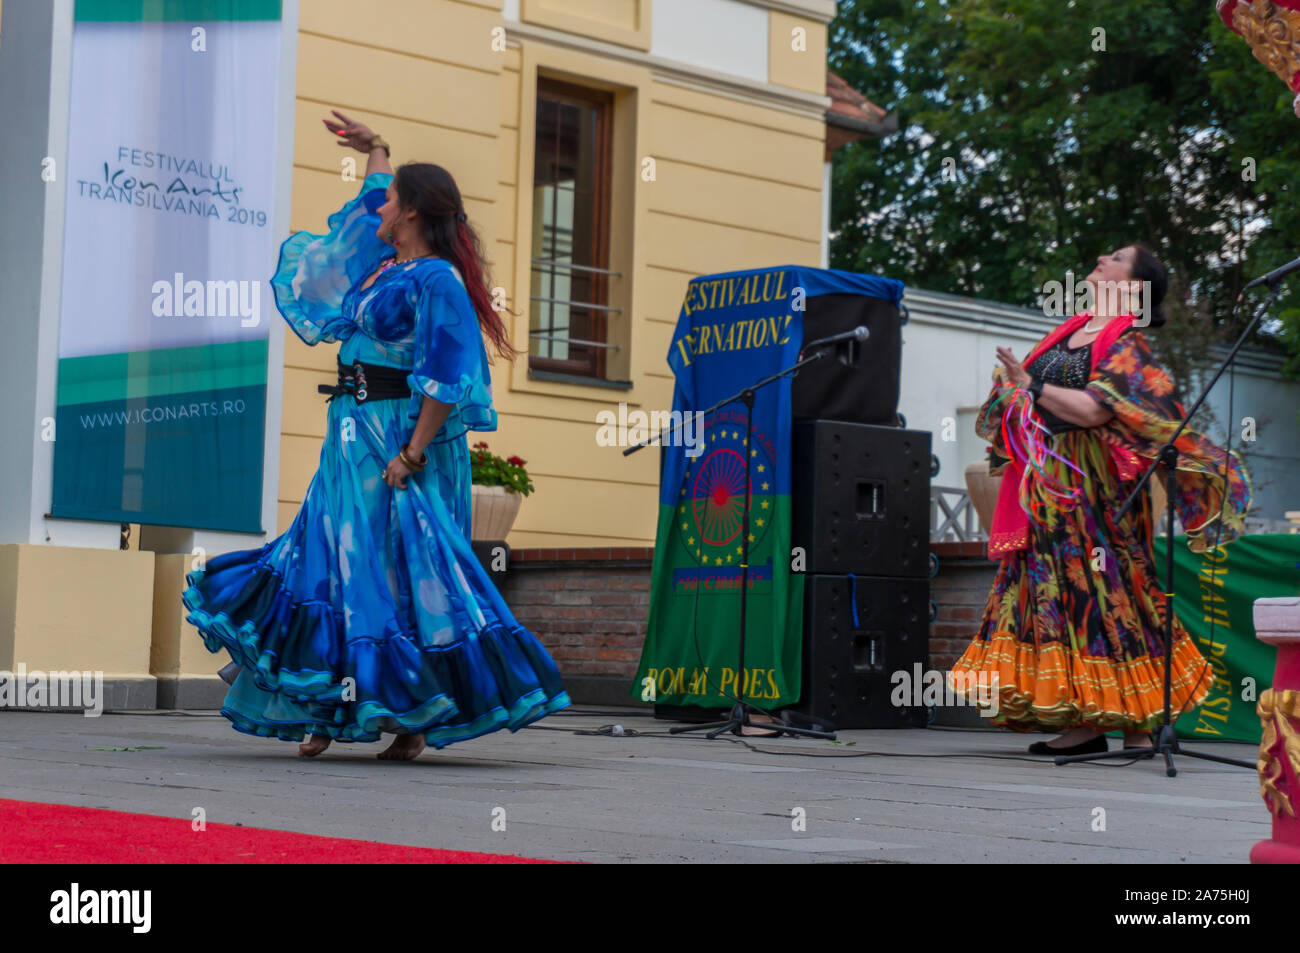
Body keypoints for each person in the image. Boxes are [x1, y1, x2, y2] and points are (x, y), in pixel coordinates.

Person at [182, 110, 569, 760]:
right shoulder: (385, 266)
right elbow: (364, 210)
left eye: (393, 198)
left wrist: (411, 453)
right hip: (350, 435)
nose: (382, 206)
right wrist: (379, 151)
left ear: (414, 211)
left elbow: (448, 374)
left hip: (395, 437)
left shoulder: (436, 278)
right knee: (329, 563)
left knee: (391, 572)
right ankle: (327, 701)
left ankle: (412, 716)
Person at [951, 244, 1252, 755]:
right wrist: (1014, 389)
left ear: (1135, 283)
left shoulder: (1128, 344)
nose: (1100, 260)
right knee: (1063, 593)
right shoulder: (1070, 331)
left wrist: (1031, 383)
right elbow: (1031, 393)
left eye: (1114, 258)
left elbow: (1094, 411)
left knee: (1107, 591)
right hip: (1049, 487)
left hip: (1093, 487)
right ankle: (1109, 721)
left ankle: (1117, 722)